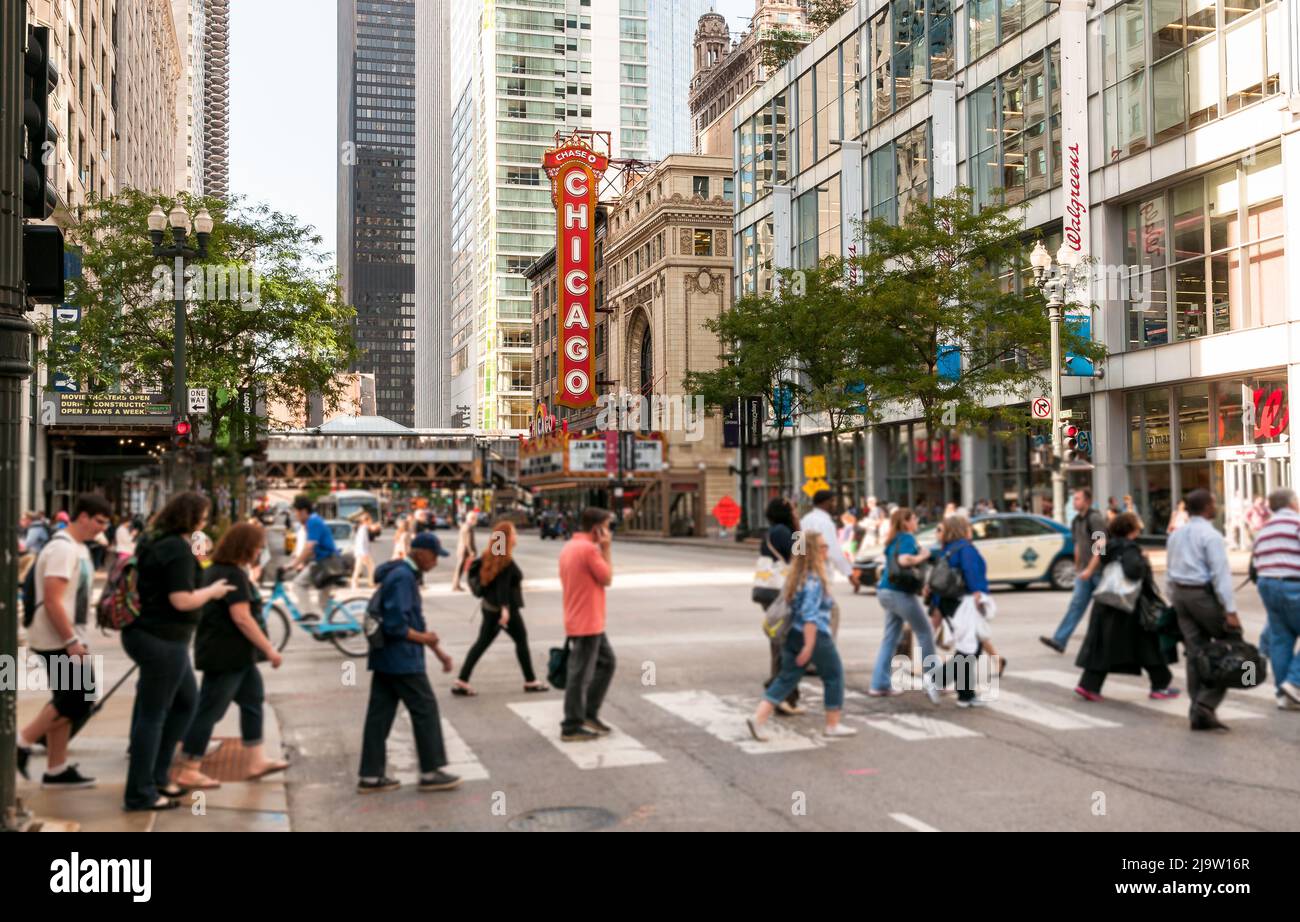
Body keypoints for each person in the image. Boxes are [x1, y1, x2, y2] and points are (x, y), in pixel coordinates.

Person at [123, 492, 235, 811]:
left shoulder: (155, 541)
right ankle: (140, 792)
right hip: (163, 639)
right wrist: (212, 591)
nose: (205, 522)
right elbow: (181, 600)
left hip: (153, 636)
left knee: (186, 702)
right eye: (203, 516)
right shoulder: (177, 550)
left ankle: (157, 776)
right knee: (153, 715)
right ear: (192, 517)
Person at [177, 523, 289, 783]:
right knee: (209, 710)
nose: (260, 551)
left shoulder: (219, 570)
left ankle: (255, 760)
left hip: (235, 655)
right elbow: (242, 617)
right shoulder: (232, 574)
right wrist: (269, 649)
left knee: (253, 701)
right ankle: (189, 767)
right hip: (226, 655)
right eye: (258, 547)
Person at [15, 494, 113, 789]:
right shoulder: (62, 549)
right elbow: (53, 600)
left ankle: (56, 770)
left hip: (67, 635)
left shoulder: (77, 548)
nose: (101, 528)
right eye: (98, 521)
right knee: (77, 699)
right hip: (57, 637)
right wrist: (70, 640)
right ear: (82, 516)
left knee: (68, 700)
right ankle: (20, 742)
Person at [358, 532, 460, 794]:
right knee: (425, 709)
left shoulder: (402, 574)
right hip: (401, 658)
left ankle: (370, 776)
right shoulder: (404, 578)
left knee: (378, 717)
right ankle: (430, 771)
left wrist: (438, 652)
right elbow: (396, 626)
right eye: (435, 555)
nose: (436, 561)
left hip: (386, 658)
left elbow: (412, 621)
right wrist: (425, 639)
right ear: (421, 553)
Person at [747, 532, 857, 742]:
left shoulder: (796, 575)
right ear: (814, 551)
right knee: (834, 675)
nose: (827, 550)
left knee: (787, 677)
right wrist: (809, 645)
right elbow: (810, 615)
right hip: (814, 635)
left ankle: (758, 718)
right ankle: (832, 725)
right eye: (823, 547)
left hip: (792, 634)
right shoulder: (814, 580)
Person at [1074, 513, 1181, 702]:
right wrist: (1143, 561)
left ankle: (1089, 685)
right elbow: (1133, 571)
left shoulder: (1109, 546)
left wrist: (1089, 569)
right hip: (1128, 607)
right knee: (1147, 644)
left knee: (1104, 647)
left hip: (1106, 602)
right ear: (1132, 530)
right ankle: (1160, 685)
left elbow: (1100, 556)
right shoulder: (1130, 548)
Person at [1166, 489, 1239, 732]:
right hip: (1201, 596)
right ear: (1207, 508)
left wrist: (1173, 600)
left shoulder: (1176, 534)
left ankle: (1196, 708)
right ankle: (1206, 704)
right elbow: (1221, 575)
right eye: (1214, 503)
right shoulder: (1211, 535)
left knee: (1195, 650)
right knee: (1232, 646)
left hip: (1180, 595)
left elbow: (1169, 569)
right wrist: (1230, 610)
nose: (1216, 506)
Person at [453, 520, 548, 696]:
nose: (516, 536)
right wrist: (505, 609)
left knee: (482, 643)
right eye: (513, 533)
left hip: (489, 607)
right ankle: (531, 681)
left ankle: (462, 680)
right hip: (503, 609)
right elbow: (502, 586)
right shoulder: (504, 560)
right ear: (506, 538)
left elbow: (496, 583)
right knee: (520, 640)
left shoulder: (492, 556)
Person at [558, 507, 616, 742]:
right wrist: (606, 548)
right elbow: (607, 578)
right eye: (607, 526)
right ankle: (571, 725)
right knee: (579, 675)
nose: (610, 531)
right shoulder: (589, 549)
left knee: (607, 662)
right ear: (597, 528)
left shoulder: (570, 546)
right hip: (587, 621)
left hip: (582, 617)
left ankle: (588, 713)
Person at [871, 507, 941, 703]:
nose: (917, 520)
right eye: (914, 518)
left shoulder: (893, 539)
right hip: (899, 593)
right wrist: (923, 556)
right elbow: (904, 560)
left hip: (885, 591)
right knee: (925, 631)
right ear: (906, 522)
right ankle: (933, 679)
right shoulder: (908, 538)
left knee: (890, 637)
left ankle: (879, 684)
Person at [933, 516, 994, 707]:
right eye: (969, 527)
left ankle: (965, 695)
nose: (971, 530)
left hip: (947, 602)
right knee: (971, 647)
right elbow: (971, 572)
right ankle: (940, 680)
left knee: (967, 646)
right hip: (964, 601)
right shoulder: (965, 549)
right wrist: (979, 594)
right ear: (962, 529)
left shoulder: (948, 549)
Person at [1249, 488, 1300, 711]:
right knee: (1281, 638)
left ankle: (1283, 694)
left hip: (1267, 584)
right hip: (1293, 583)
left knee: (1281, 639)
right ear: (1291, 504)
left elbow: (1256, 560)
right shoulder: (1296, 523)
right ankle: (1295, 682)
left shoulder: (1264, 529)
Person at [1041, 488, 1108, 654]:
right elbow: (1078, 545)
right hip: (1085, 573)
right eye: (1074, 499)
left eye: (1077, 499)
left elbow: (1100, 546)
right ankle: (1059, 640)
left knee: (1106, 611)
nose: (1074, 502)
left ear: (1087, 501)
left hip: (1099, 572)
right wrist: (1078, 568)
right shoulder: (1076, 521)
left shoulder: (1095, 519)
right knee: (1076, 606)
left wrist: (1091, 569)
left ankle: (1111, 646)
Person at [756, 498, 803, 715]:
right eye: (792, 509)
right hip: (780, 592)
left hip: (770, 591)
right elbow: (801, 554)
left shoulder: (773, 531)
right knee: (785, 645)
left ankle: (780, 691)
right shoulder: (783, 531)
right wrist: (798, 524)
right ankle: (780, 692)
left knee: (780, 643)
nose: (795, 511)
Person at [801, 490, 860, 605]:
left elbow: (796, 548)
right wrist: (850, 575)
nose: (834, 505)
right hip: (821, 573)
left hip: (803, 573)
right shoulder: (826, 523)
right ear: (826, 502)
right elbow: (833, 551)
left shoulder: (804, 520)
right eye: (833, 501)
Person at [288, 496, 339, 621]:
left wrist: (293, 564)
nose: (296, 516)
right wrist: (302, 561)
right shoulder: (314, 521)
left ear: (304, 511)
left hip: (325, 563)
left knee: (298, 584)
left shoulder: (313, 522)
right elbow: (312, 549)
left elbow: (310, 547)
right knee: (323, 603)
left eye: (297, 512)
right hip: (327, 562)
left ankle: (309, 615)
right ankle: (332, 630)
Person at [451, 510, 479, 592]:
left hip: (462, 550)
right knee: (461, 568)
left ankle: (456, 584)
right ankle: (456, 585)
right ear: (472, 519)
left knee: (461, 568)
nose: (476, 520)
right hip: (464, 551)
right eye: (475, 519)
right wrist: (471, 552)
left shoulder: (464, 526)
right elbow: (468, 541)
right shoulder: (468, 527)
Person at [351, 511, 376, 589]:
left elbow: (372, 528)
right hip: (362, 553)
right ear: (366, 521)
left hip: (363, 552)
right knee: (359, 568)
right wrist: (364, 554)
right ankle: (355, 583)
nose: (371, 521)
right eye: (370, 520)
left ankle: (370, 582)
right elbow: (361, 542)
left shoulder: (363, 528)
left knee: (369, 566)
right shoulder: (362, 529)